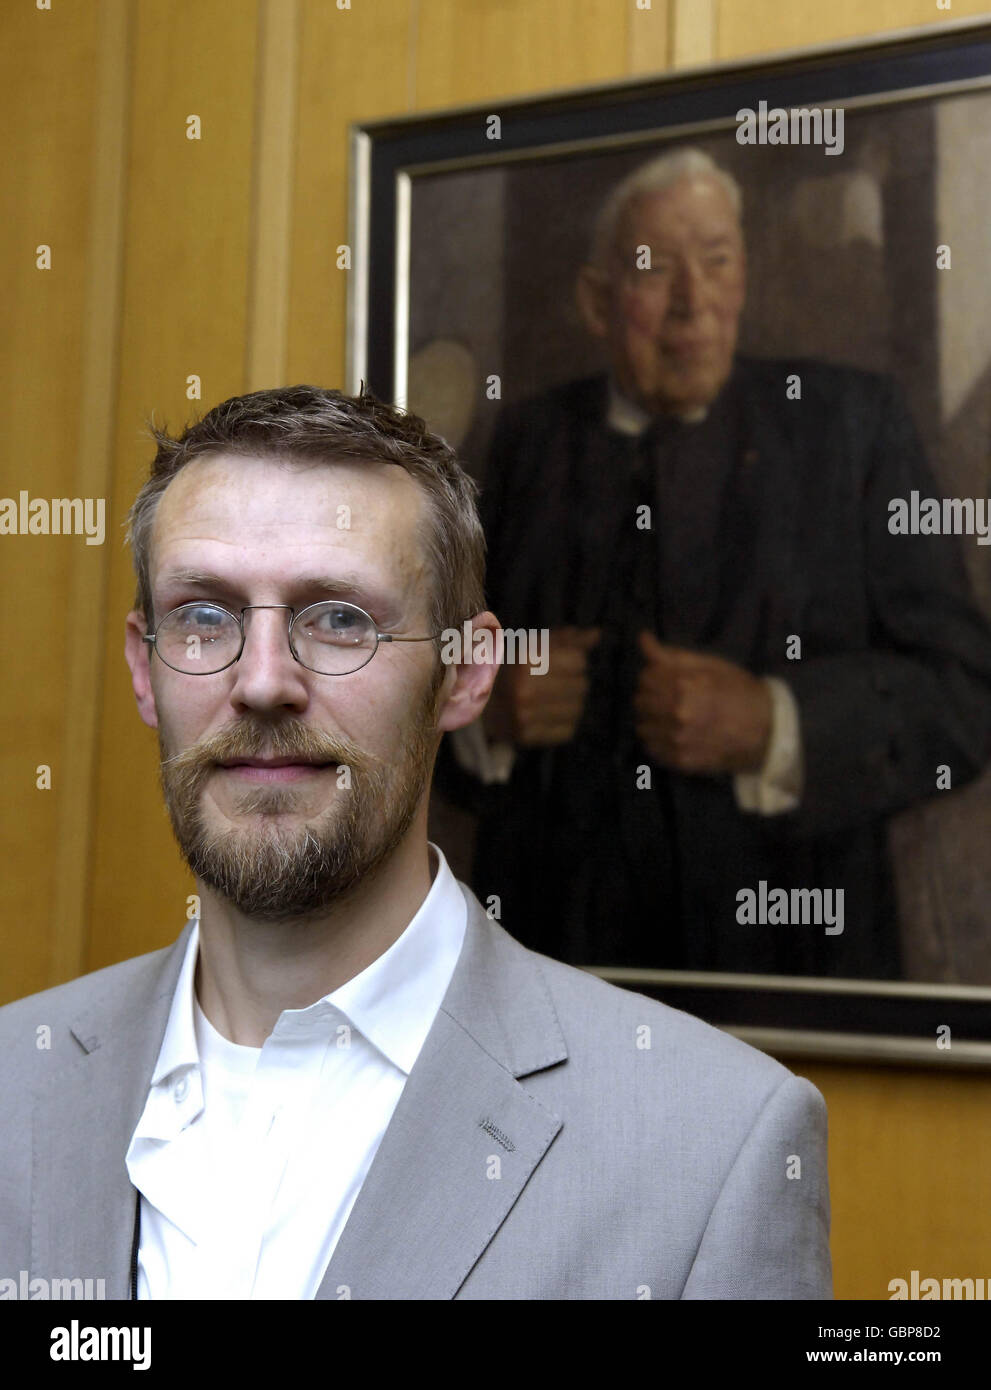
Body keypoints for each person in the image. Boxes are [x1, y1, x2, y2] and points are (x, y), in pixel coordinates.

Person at [0, 385, 830, 1300]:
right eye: (205, 617)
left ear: (467, 673)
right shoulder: (14, 1084)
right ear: (144, 667)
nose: (263, 681)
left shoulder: (711, 1146)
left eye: (340, 618)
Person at [446, 147, 991, 979]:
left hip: (790, 972)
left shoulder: (850, 429)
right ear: (597, 302)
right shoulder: (519, 444)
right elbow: (402, 688)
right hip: (553, 978)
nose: (691, 305)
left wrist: (776, 726)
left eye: (717, 263)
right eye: (652, 270)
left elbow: (964, 698)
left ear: (744, 277)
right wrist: (486, 711)